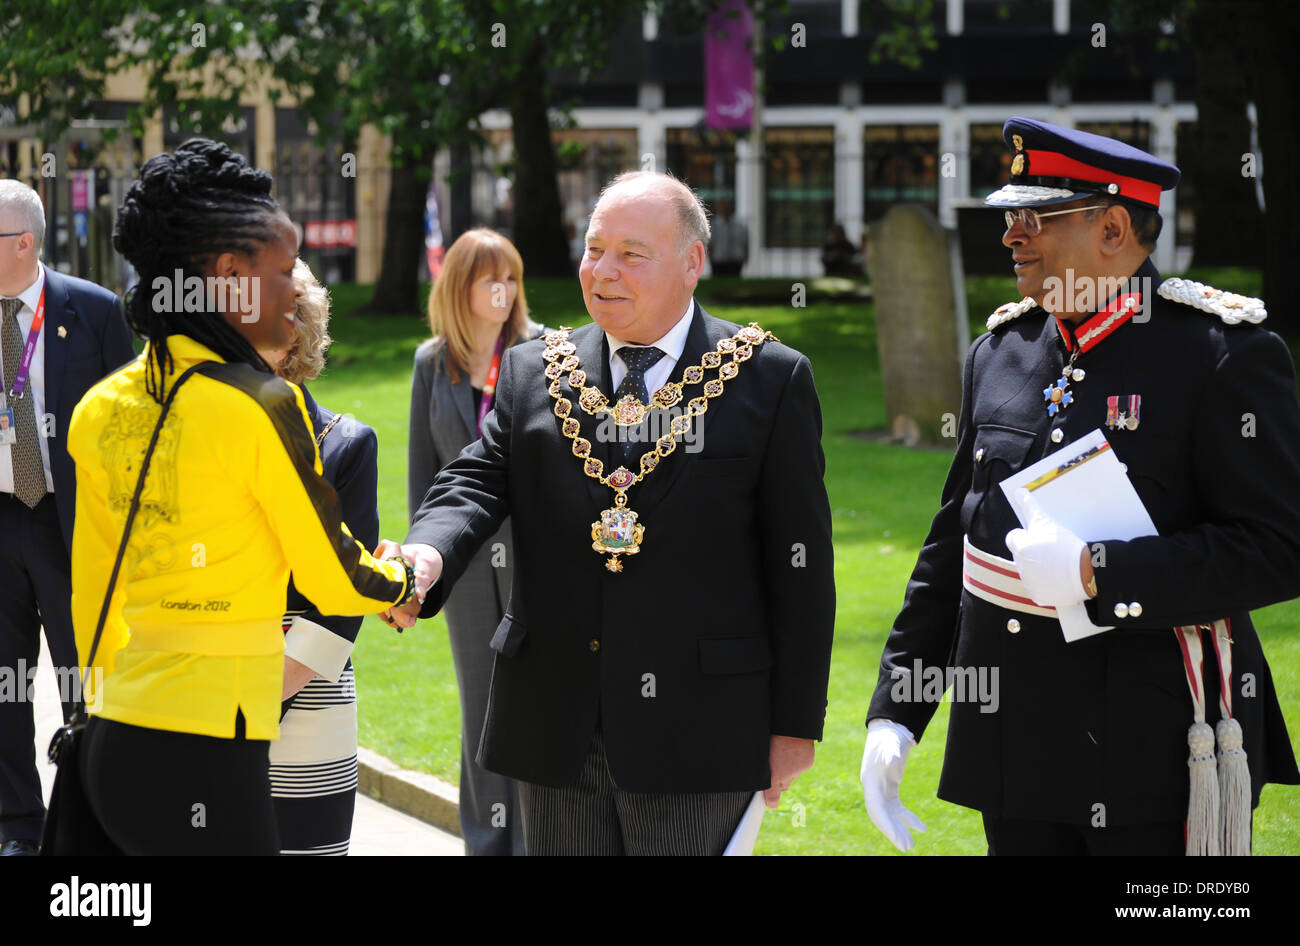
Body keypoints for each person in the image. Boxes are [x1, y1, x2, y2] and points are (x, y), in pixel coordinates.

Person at [861, 117, 1300, 856]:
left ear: (1114, 228)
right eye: (1011, 217)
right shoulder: (1000, 351)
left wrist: (1100, 572)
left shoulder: (1221, 354)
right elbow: (952, 548)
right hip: (1017, 750)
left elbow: (1278, 548)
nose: (1012, 236)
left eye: (1036, 218)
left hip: (1155, 750)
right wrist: (898, 710)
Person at [384, 170, 836, 856]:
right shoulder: (534, 370)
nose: (603, 271)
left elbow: (800, 568)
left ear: (692, 262)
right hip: (556, 721)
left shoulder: (768, 378)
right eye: (594, 249)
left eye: (631, 254)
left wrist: (795, 724)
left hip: (699, 727)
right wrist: (428, 552)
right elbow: (475, 478)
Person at [68, 138, 418, 856]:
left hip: (112, 741)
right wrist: (406, 578)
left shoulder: (97, 407)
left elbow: (92, 593)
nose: (295, 292)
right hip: (210, 752)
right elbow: (334, 576)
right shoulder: (261, 403)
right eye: (284, 271)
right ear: (230, 275)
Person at [0, 179, 135, 857]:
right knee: (5, 683)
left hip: (72, 523)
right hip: (1, 520)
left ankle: (89, 818)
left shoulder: (95, 310)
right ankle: (18, 827)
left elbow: (133, 428)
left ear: (23, 243)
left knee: (83, 677)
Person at [407, 228, 543, 856]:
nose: (504, 290)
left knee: (533, 706)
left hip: (534, 564)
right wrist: (419, 571)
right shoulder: (430, 362)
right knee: (481, 712)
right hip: (462, 573)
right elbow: (424, 478)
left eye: (511, 278)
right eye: (491, 279)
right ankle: (488, 843)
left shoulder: (544, 353)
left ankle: (536, 841)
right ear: (459, 287)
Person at [263, 258, 378, 856]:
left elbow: (345, 596)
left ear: (293, 336)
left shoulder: (346, 445)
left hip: (309, 697)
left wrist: (266, 692)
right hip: (203, 690)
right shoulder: (193, 436)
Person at [708, 199, 747, 277]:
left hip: (735, 261)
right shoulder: (714, 226)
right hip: (718, 261)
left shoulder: (739, 226)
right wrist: (710, 259)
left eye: (727, 207)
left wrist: (745, 256)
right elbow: (710, 244)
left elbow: (744, 242)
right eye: (723, 207)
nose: (725, 209)